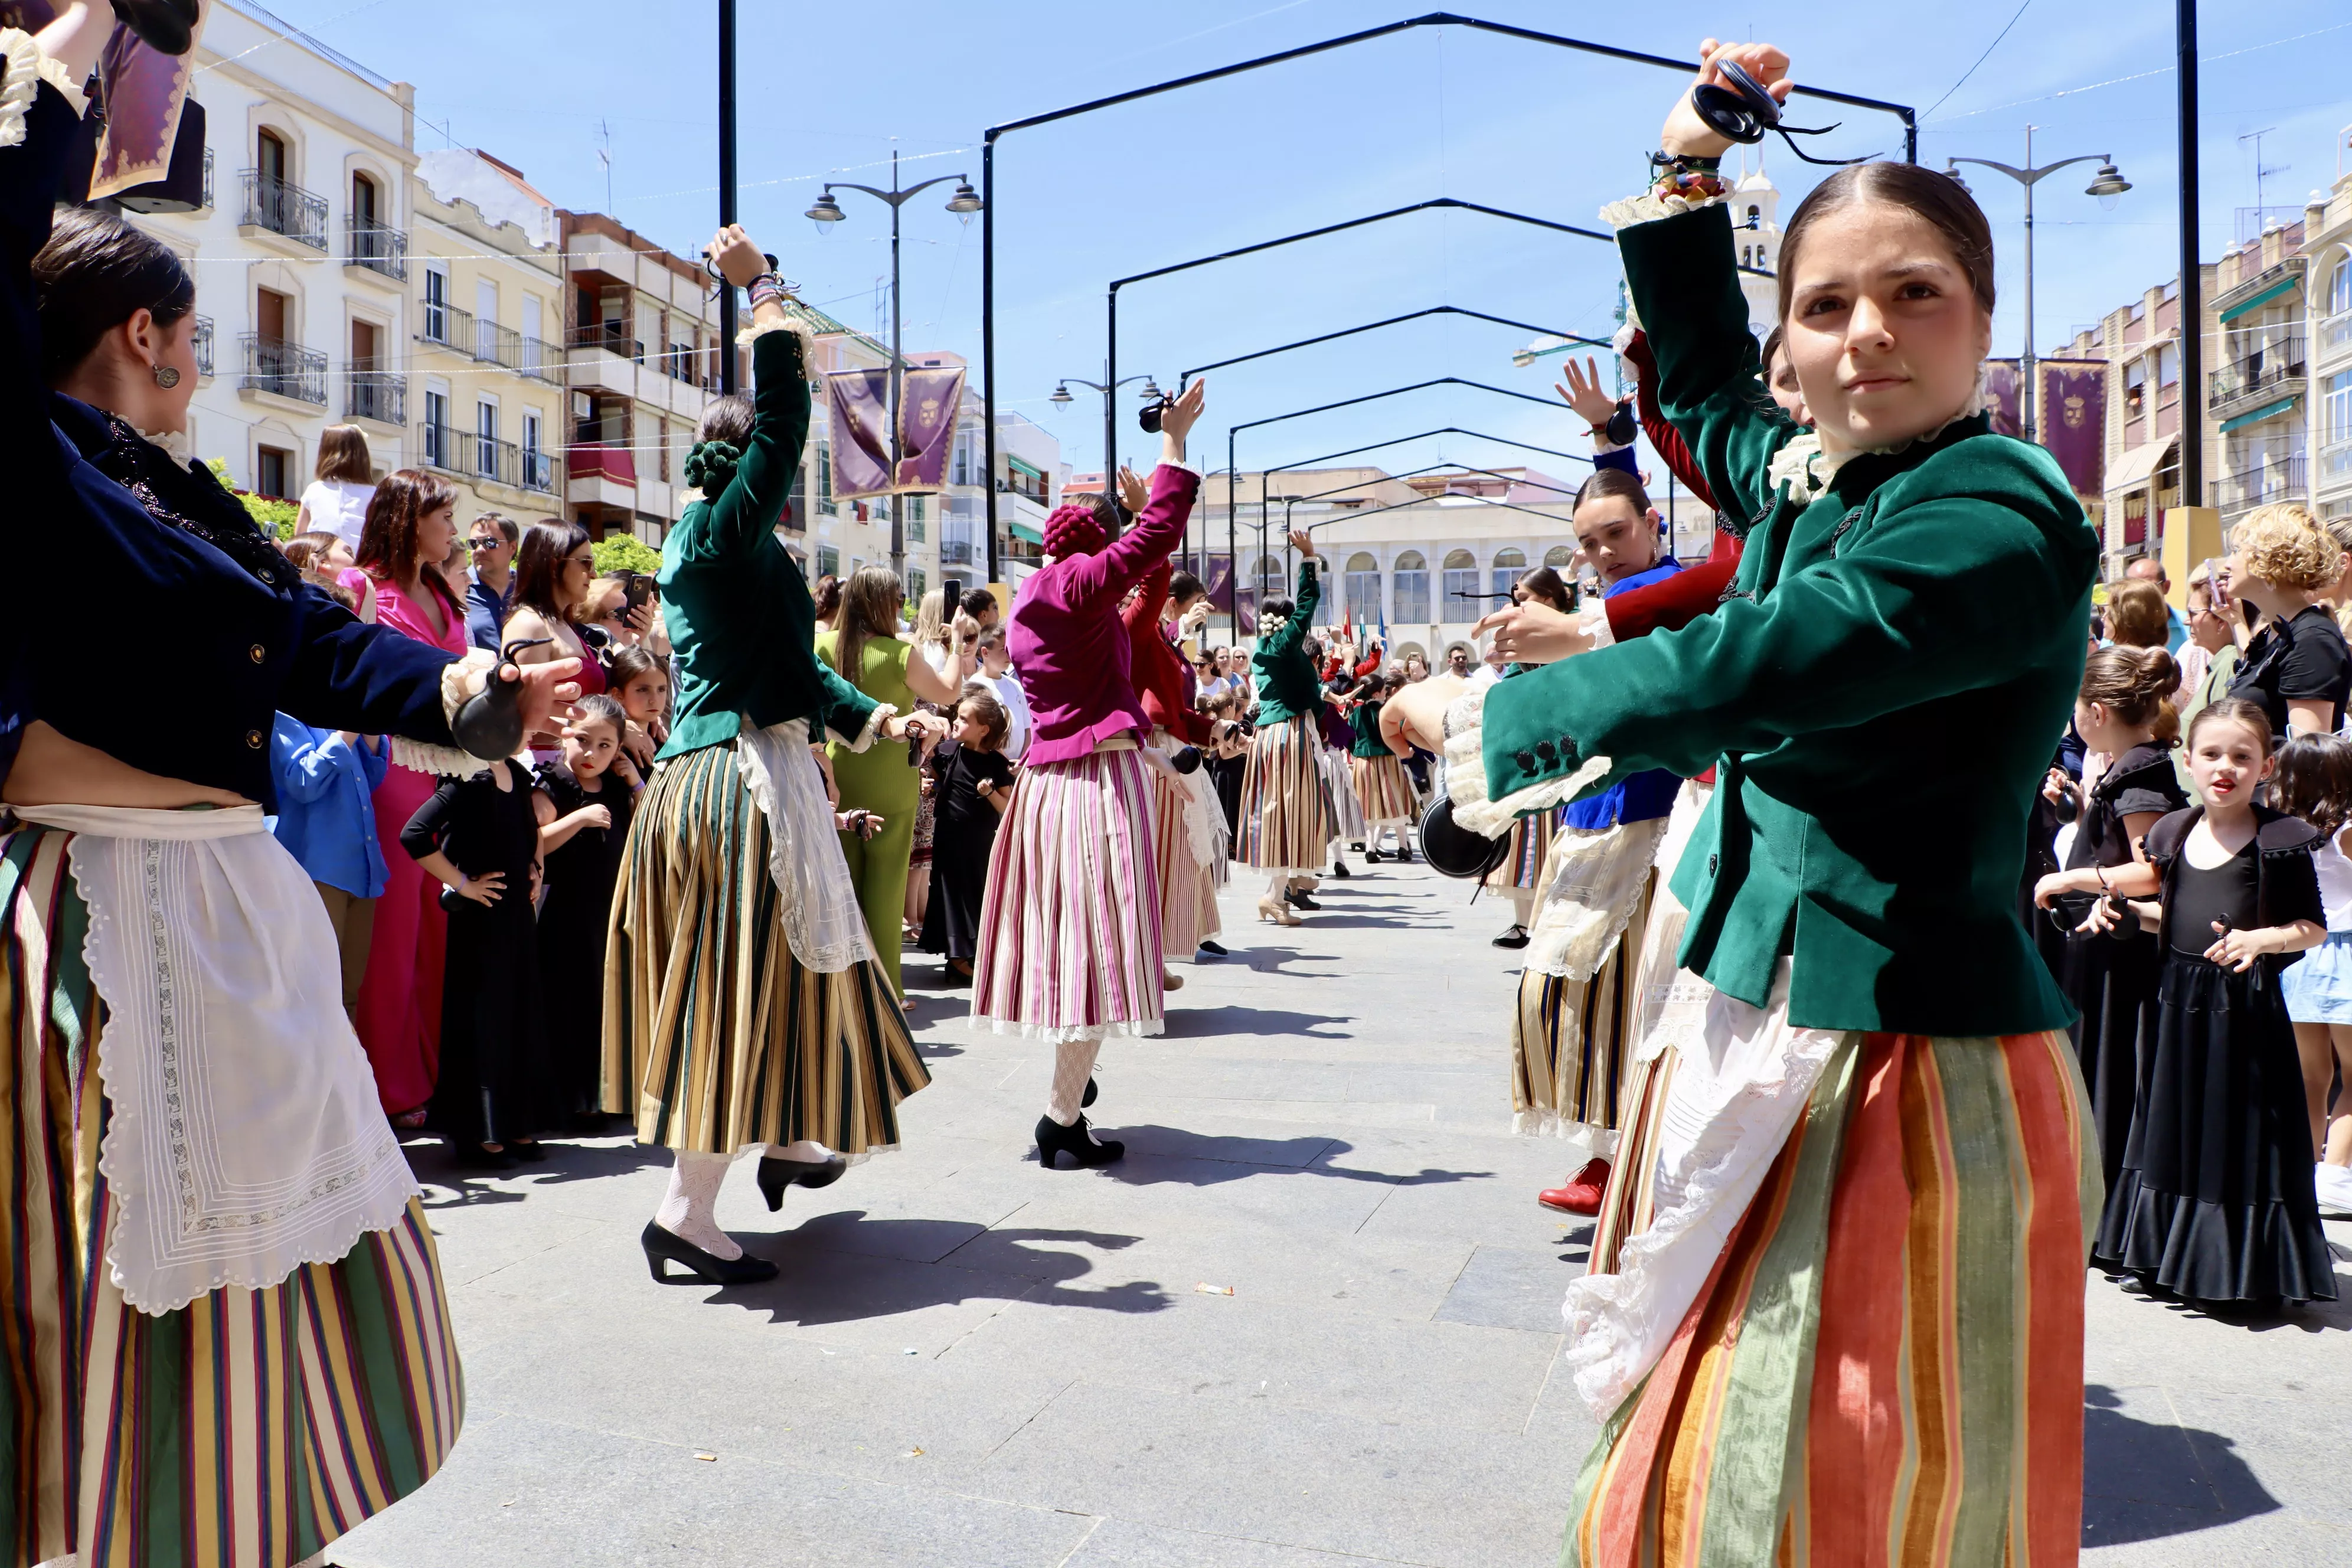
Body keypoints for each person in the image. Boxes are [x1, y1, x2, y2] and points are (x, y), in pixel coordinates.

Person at [1393, 41, 2103, 1561]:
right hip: (1752, 1013)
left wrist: (1489, 718)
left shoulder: (2000, 511)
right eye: (1828, 303)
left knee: (1826, 1481)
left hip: (1896, 1057)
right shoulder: (1823, 471)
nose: (1864, 335)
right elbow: (1708, 387)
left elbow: (1771, 655)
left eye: (1915, 293)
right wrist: (1685, 174)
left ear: (1984, 319)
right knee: (1702, 1455)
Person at [0, 19, 577, 1560]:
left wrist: (474, 697)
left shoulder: (174, 491)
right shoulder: (30, 464)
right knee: (108, 1291)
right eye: (187, 336)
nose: (199, 363)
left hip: (218, 920)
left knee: (262, 1323)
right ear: (144, 334)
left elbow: (311, 638)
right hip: (99, 930)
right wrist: (62, 81)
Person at [606, 224, 942, 1288]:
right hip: (730, 781)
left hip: (752, 767)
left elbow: (788, 665)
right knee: (732, 984)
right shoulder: (716, 533)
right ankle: (682, 1211)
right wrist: (764, 300)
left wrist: (875, 719)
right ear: (735, 455)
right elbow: (788, 421)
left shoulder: (720, 549)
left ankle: (796, 1141)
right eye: (759, 459)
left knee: (789, 967)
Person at [971, 378, 1207, 1168]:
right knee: (1097, 955)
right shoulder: (1077, 586)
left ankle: (1068, 1104)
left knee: (1080, 951)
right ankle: (1061, 1113)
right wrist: (1171, 447)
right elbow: (1147, 548)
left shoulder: (1035, 595)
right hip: (1092, 783)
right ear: (1088, 552)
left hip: (1049, 785)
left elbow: (1143, 579)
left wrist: (1140, 528)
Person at [2040, 700, 2335, 1307]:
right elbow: (2161, 908)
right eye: (2211, 755)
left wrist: (2262, 938)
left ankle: (2232, 1271)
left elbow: (2313, 927)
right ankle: (2160, 1256)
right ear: (2190, 761)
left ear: (2266, 766)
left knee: (2234, 1134)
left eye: (2241, 756)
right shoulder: (2174, 830)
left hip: (2245, 1014)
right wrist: (2109, 905)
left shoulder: (2280, 839)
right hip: (2176, 1005)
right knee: (2169, 1129)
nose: (2225, 767)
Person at [1504, 476, 1685, 1212]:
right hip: (1592, 820)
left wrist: (1613, 438)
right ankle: (1607, 1149)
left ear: (1653, 523)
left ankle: (1625, 1157)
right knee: (1564, 990)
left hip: (1656, 819)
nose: (1602, 552)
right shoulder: (1596, 610)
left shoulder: (1673, 593)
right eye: (1587, 541)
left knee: (1634, 994)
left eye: (1614, 533)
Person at [347, 468, 475, 1124]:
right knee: (395, 941)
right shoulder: (364, 584)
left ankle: (424, 1078)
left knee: (435, 934)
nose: (453, 529)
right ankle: (387, 1088)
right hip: (393, 768)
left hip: (448, 773)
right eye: (444, 515)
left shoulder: (440, 592)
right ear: (409, 519)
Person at [2041, 646, 2187, 1192]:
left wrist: (2071, 880)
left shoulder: (2139, 777)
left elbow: (2150, 871)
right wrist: (2082, 808)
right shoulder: (2128, 771)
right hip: (2106, 953)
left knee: (2116, 1073)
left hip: (2121, 961)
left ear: (2097, 712)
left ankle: (2107, 1199)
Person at [816, 566, 966, 997]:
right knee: (885, 891)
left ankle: (837, 990)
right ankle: (886, 993)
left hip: (836, 779)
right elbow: (949, 693)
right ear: (887, 604)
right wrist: (956, 642)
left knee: (837, 886)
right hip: (893, 781)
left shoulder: (821, 646)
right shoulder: (900, 654)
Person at [404, 751, 557, 1167]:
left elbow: (532, 832)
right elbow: (415, 834)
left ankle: (513, 1122)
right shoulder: (463, 776)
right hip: (480, 920)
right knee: (484, 1020)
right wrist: (463, 885)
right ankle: (479, 1131)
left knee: (519, 1015)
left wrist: (536, 868)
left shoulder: (519, 774)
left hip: (517, 919)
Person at [1118, 509, 1227, 971]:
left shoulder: (1166, 644)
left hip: (1174, 748)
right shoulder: (1142, 633)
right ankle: (1147, 959)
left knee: (1177, 854)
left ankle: (1156, 956)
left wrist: (1215, 731)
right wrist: (1151, 523)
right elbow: (1151, 589)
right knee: (1162, 854)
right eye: (1195, 601)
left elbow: (1178, 709)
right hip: (1153, 753)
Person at [534, 692, 638, 1128]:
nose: (592, 753)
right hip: (566, 912)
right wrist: (577, 819)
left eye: (605, 745)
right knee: (569, 1003)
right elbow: (535, 839)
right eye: (583, 740)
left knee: (606, 1002)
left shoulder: (614, 786)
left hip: (608, 910)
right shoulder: (552, 781)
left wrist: (635, 783)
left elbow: (648, 826)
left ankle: (607, 1096)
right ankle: (572, 1100)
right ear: (565, 734)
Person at [1234, 528, 1333, 927]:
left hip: (1277, 735)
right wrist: (1309, 559)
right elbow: (1308, 605)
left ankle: (1279, 895)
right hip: (1288, 734)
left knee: (1284, 813)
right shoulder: (1282, 646)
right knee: (1287, 812)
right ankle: (1275, 897)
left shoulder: (1265, 649)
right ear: (1286, 619)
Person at [2271, 732, 2352, 1214]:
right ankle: (2336, 1172)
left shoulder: (2282, 830)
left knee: (2311, 1076)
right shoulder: (2346, 830)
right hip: (2348, 948)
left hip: (2301, 953)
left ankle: (2303, 1171)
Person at [270, 711, 390, 1020]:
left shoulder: (335, 708)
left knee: (347, 994)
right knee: (316, 993)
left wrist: (372, 732)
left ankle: (345, 1069)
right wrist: (349, 730)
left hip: (362, 871)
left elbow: (372, 779)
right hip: (319, 872)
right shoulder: (285, 714)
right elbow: (303, 782)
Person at [2226, 503, 2351, 739]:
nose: (2227, 564)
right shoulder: (2274, 635)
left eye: (2236, 551)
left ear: (2268, 558)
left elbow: (2307, 754)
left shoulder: (2311, 639)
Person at [919, 683, 1015, 981]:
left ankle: (967, 956)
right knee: (949, 893)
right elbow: (934, 779)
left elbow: (1006, 806)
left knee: (973, 893)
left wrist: (988, 794)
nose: (956, 722)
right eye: (957, 716)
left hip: (977, 842)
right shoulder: (948, 752)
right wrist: (927, 786)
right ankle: (957, 957)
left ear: (983, 730)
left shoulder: (996, 764)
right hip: (948, 836)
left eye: (963, 719)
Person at [505, 519, 609, 753]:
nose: (593, 574)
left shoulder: (563, 624)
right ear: (554, 566)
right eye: (585, 562)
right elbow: (522, 720)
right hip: (544, 772)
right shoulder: (529, 624)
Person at [1348, 669, 1415, 860]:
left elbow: (1348, 738)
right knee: (1396, 803)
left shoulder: (1356, 713)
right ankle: (1403, 847)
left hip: (1363, 762)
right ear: (1376, 693)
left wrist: (1356, 751)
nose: (1387, 692)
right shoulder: (1386, 711)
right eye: (1384, 689)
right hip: (1386, 760)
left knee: (1368, 808)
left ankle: (1370, 848)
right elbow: (1398, 734)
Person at [296, 420, 378, 551]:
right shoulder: (373, 493)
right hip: (358, 564)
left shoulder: (315, 490)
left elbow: (300, 534)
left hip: (319, 562)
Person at [463, 509, 519, 651]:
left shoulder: (529, 588)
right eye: (474, 544)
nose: (480, 550)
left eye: (490, 542)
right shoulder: (458, 590)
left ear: (512, 547)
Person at [978, 624, 1031, 759]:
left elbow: (1028, 727)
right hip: (993, 764)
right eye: (1003, 650)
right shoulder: (977, 685)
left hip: (1020, 764)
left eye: (1009, 648)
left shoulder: (1015, 684)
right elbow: (984, 732)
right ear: (985, 652)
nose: (1009, 654)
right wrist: (1005, 761)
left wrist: (1022, 760)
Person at [2124, 553, 2190, 653]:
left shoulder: (2189, 626)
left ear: (2166, 587)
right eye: (2131, 588)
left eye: (2148, 587)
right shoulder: (2118, 632)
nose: (2138, 594)